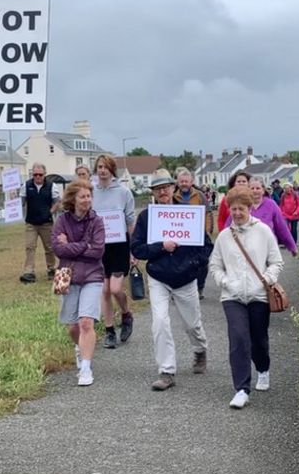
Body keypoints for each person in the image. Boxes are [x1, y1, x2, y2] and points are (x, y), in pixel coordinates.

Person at [132, 169, 211, 390]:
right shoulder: (146, 217)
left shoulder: (189, 213)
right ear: (154, 193)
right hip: (159, 277)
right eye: (158, 189)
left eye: (166, 187)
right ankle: (166, 371)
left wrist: (195, 265)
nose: (163, 192)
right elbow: (137, 248)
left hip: (185, 277)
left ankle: (199, 348)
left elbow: (206, 245)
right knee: (160, 322)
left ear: (173, 188)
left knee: (192, 324)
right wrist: (160, 247)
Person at [209, 186, 284, 409]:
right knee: (239, 338)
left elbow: (276, 261)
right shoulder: (224, 237)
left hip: (259, 295)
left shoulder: (263, 231)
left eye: (241, 209)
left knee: (258, 339)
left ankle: (263, 368)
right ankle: (241, 389)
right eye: (233, 209)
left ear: (249, 208)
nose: (237, 213)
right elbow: (215, 265)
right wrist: (225, 281)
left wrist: (267, 279)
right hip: (232, 296)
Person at [52, 179, 106, 386]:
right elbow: (58, 250)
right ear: (73, 199)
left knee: (86, 322)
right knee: (73, 326)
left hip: (93, 275)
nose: (87, 200)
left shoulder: (97, 221)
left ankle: (85, 367)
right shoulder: (61, 221)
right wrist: (85, 245)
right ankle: (80, 347)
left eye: (89, 196)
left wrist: (73, 246)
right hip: (66, 275)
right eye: (83, 196)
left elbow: (98, 251)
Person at [92, 154, 137, 349]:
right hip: (100, 246)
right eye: (99, 167)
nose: (102, 170)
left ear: (112, 170)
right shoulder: (91, 191)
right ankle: (109, 330)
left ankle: (126, 314)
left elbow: (130, 222)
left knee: (116, 288)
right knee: (104, 289)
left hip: (119, 245)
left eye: (106, 167)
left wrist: (133, 250)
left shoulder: (124, 192)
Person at [225, 177, 297, 257]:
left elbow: (282, 227)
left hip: (268, 249)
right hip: (247, 251)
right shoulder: (242, 205)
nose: (255, 191)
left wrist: (292, 246)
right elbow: (229, 226)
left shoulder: (271, 205)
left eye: (258, 188)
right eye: (252, 188)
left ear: (263, 190)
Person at [174, 168, 211, 299]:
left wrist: (206, 232)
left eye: (186, 181)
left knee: (202, 263)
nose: (184, 184)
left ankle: (199, 287)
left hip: (198, 236)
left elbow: (207, 214)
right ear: (177, 183)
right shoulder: (173, 196)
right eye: (181, 181)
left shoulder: (200, 196)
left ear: (191, 182)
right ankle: (178, 288)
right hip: (179, 236)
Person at [19, 163, 60, 284]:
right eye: (35, 174)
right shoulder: (26, 186)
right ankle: (29, 272)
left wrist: (50, 212)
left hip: (46, 223)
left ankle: (51, 269)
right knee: (30, 247)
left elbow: (57, 202)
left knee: (50, 247)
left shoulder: (52, 186)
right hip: (31, 223)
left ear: (44, 174)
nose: (37, 177)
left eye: (40, 174)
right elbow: (20, 202)